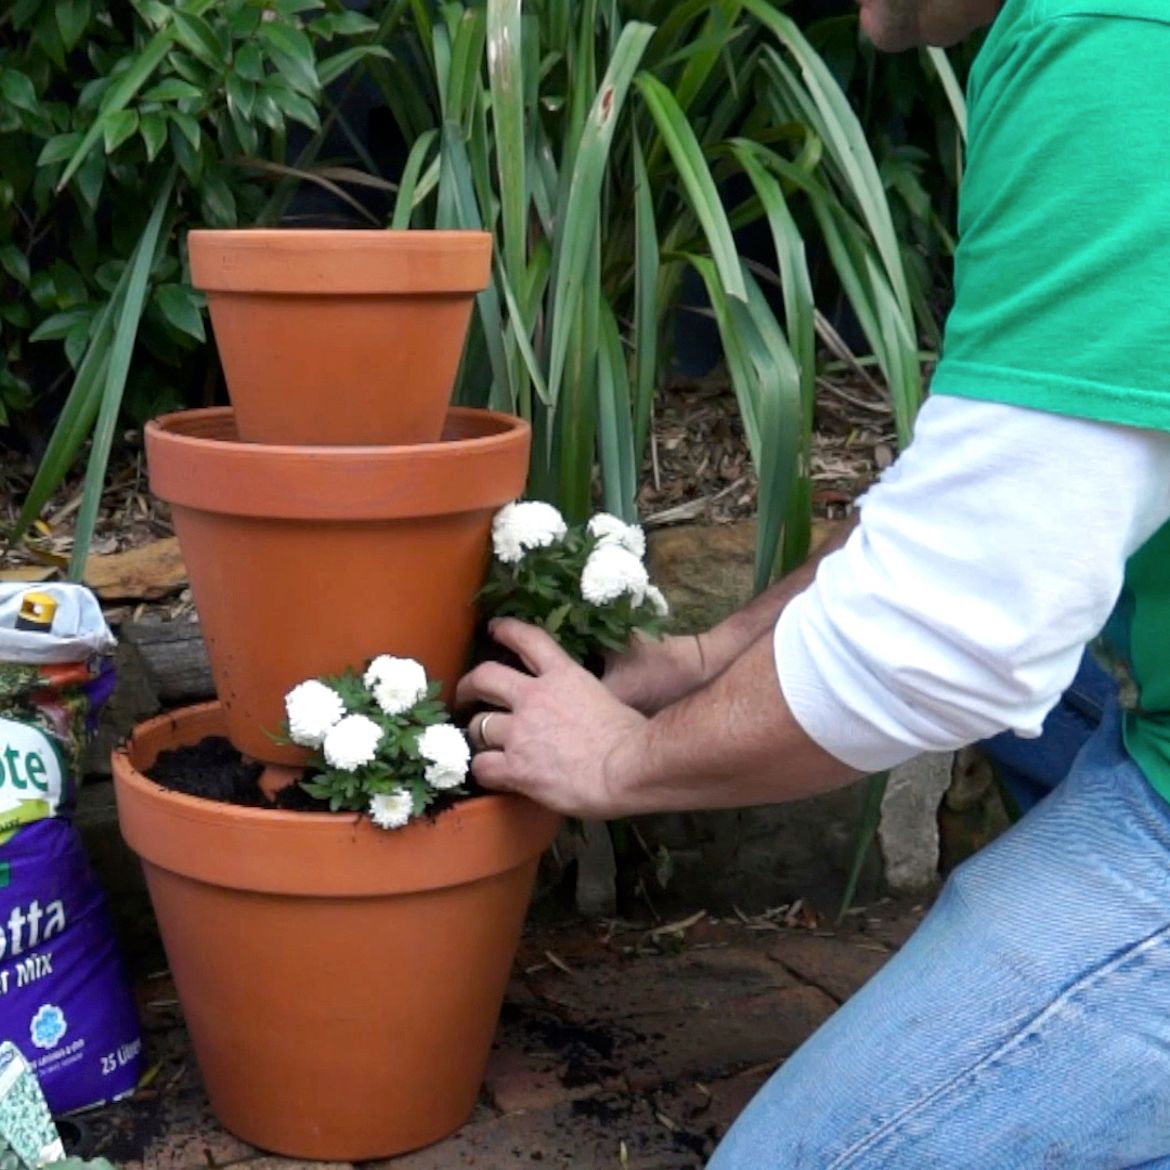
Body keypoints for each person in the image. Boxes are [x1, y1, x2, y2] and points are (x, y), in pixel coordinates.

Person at [455, 0, 1170, 1160]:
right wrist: (697, 660)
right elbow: (977, 507)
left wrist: (622, 760)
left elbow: (955, 636)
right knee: (1062, 691)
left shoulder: (1122, 53)